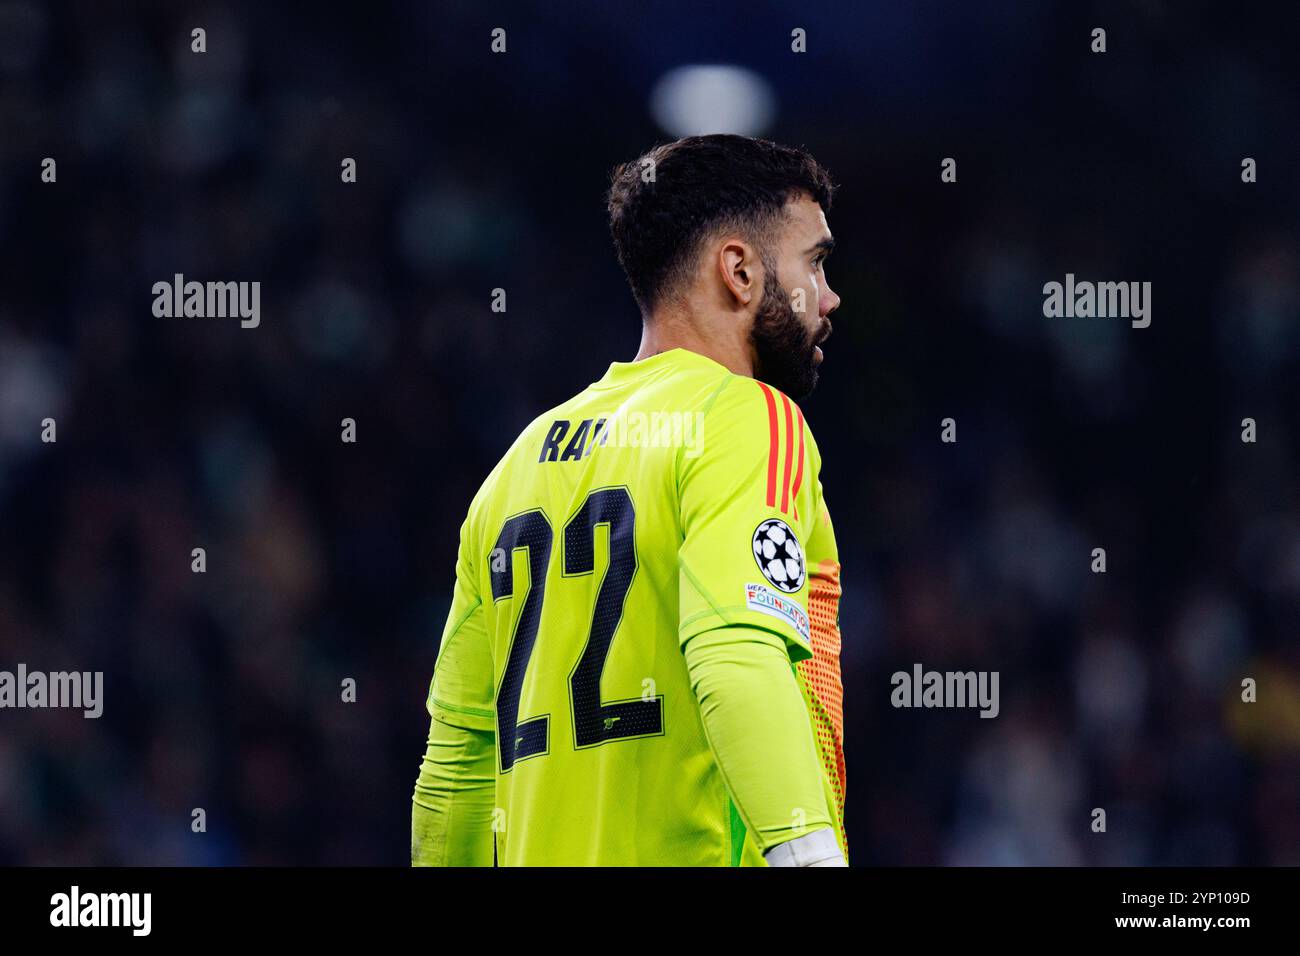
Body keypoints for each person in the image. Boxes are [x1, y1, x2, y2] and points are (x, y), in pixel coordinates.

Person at [412, 134, 847, 866]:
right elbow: (736, 656)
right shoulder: (744, 418)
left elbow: (456, 765)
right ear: (738, 270)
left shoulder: (512, 470)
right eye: (816, 262)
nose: (830, 296)